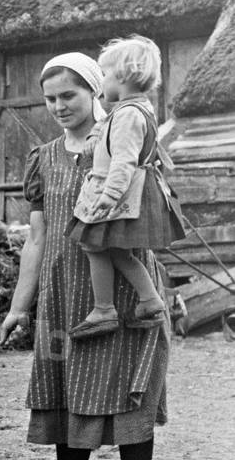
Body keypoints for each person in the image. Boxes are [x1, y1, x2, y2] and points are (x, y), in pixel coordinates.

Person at [0, 52, 170, 460]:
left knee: (132, 389)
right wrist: (19, 305)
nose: (57, 106)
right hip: (64, 293)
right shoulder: (45, 158)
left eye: (68, 95)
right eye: (49, 98)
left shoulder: (125, 136)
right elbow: (37, 236)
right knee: (67, 391)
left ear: (96, 91)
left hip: (124, 291)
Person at [66, 36, 187, 339]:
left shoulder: (129, 115)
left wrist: (109, 195)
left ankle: (105, 308)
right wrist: (95, 136)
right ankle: (148, 300)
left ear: (121, 77)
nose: (102, 81)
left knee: (92, 243)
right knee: (115, 250)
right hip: (124, 191)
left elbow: (123, 159)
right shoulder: (132, 109)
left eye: (105, 74)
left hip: (121, 192)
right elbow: (107, 132)